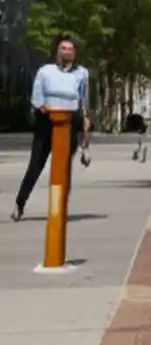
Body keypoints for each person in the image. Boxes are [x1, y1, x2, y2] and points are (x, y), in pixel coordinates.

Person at [11, 33, 91, 222]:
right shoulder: (45, 72)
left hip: (70, 123)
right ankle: (20, 203)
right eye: (63, 48)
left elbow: (83, 99)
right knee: (35, 166)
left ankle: (60, 206)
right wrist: (42, 107)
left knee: (63, 168)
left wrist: (85, 123)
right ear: (57, 51)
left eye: (70, 49)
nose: (67, 52)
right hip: (46, 122)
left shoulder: (82, 73)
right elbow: (37, 97)